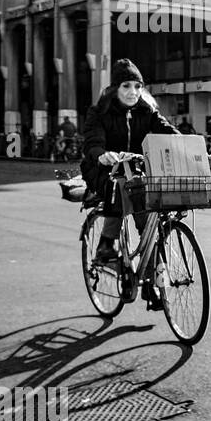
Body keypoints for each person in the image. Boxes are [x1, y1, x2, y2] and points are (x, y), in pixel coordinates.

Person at [80, 59, 179, 310]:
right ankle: (105, 248)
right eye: (126, 85)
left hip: (136, 168)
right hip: (102, 169)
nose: (133, 92)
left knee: (149, 222)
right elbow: (92, 140)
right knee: (120, 188)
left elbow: (166, 130)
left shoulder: (147, 110)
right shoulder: (100, 111)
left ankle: (149, 282)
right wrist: (100, 153)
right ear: (115, 88)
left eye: (137, 86)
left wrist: (188, 144)